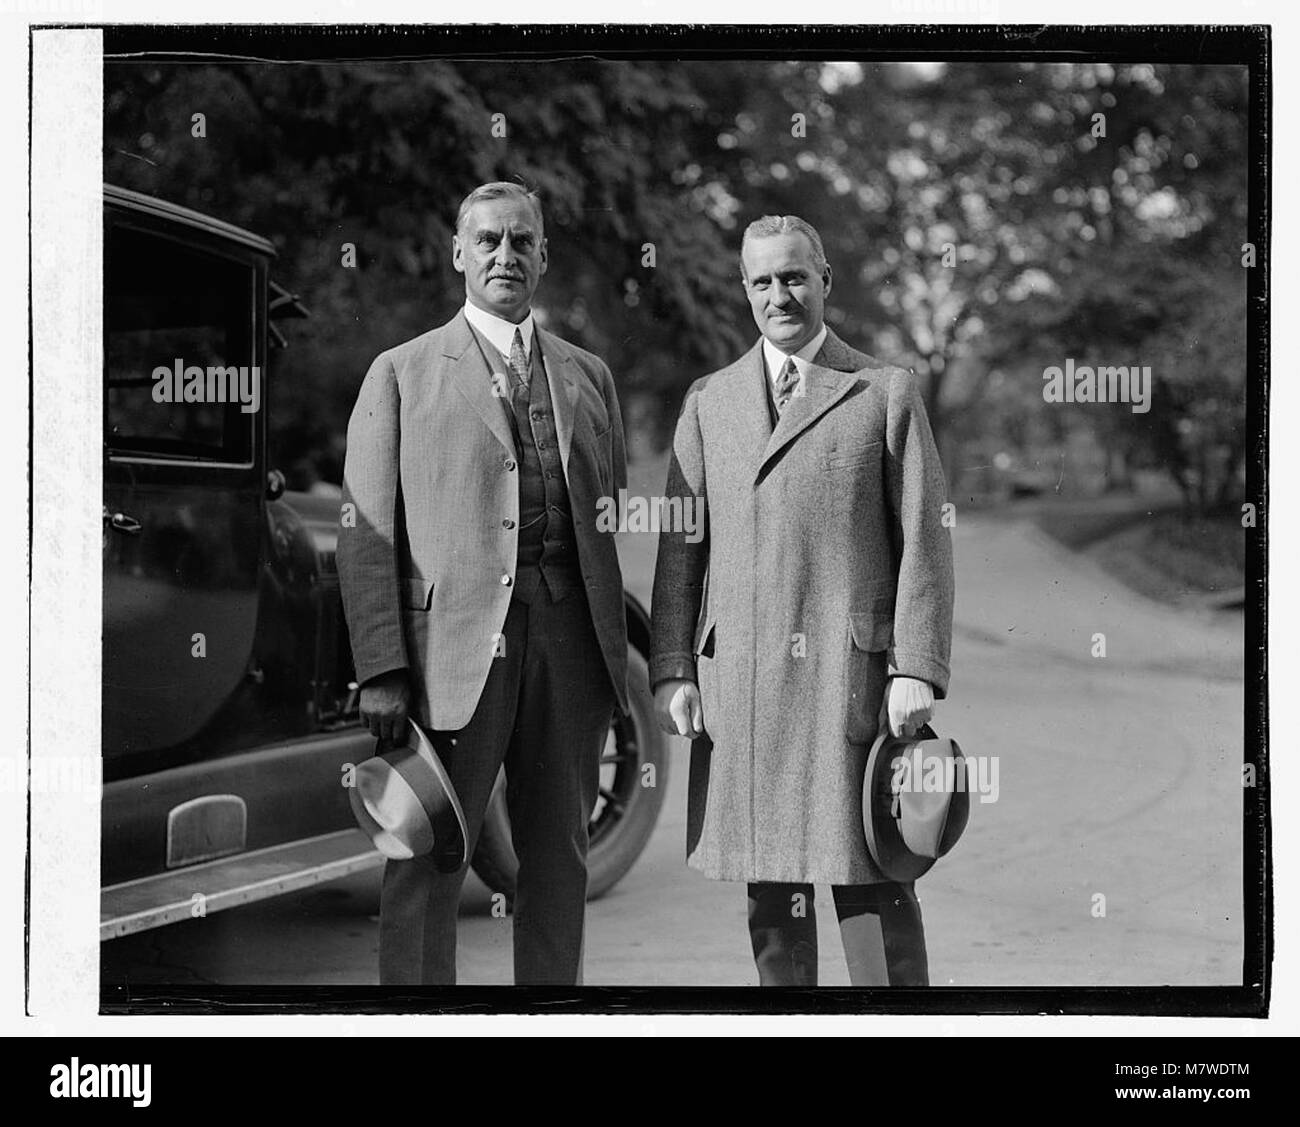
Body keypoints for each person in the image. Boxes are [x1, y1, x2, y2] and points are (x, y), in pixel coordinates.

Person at [649, 214, 954, 986]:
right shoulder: (709, 402)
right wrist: (674, 667)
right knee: (772, 904)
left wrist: (914, 666)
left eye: (793, 276)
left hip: (849, 687)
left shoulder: (882, 391)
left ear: (825, 280)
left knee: (873, 884)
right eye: (762, 281)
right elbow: (682, 550)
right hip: (744, 688)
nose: (779, 294)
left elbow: (925, 536)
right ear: (744, 290)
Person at [338, 182, 628, 985]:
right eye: (490, 240)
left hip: (568, 646)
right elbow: (365, 536)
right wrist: (384, 668)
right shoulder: (400, 373)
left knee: (557, 861)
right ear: (459, 253)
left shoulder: (589, 376)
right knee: (426, 848)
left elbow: (605, 520)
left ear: (544, 255)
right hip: (447, 661)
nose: (507, 255)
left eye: (523, 241)